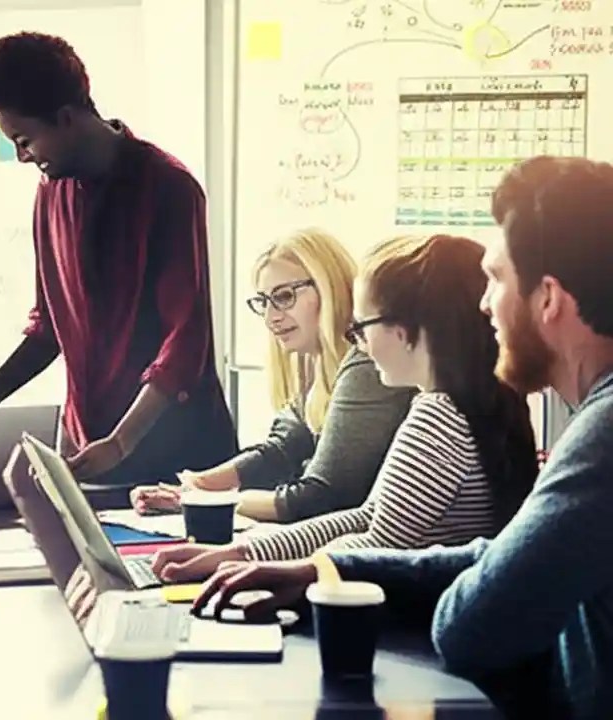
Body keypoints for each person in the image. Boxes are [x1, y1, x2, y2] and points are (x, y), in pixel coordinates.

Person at [188, 157, 613, 719]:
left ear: (550, 297)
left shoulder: (602, 435)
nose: (483, 304)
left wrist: (325, 572)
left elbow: (470, 625)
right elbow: (493, 558)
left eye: (497, 278)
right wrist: (320, 570)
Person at [144, 234, 538, 584]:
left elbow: (376, 544)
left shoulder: (439, 417)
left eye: (362, 327)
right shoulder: (466, 404)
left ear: (404, 331)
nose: (360, 344)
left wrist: (253, 566)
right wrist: (240, 555)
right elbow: (366, 518)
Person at [0, 32, 237, 486]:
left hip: (179, 460)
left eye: (25, 140)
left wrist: (122, 440)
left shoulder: (169, 187)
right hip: (90, 453)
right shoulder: (50, 194)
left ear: (66, 118)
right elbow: (48, 328)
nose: (21, 157)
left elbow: (185, 343)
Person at [130, 229, 413, 521]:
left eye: (285, 296)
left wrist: (206, 501)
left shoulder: (367, 366)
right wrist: (194, 486)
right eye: (264, 302)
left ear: (329, 286)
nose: (270, 318)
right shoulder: (309, 363)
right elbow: (282, 449)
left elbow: (322, 497)